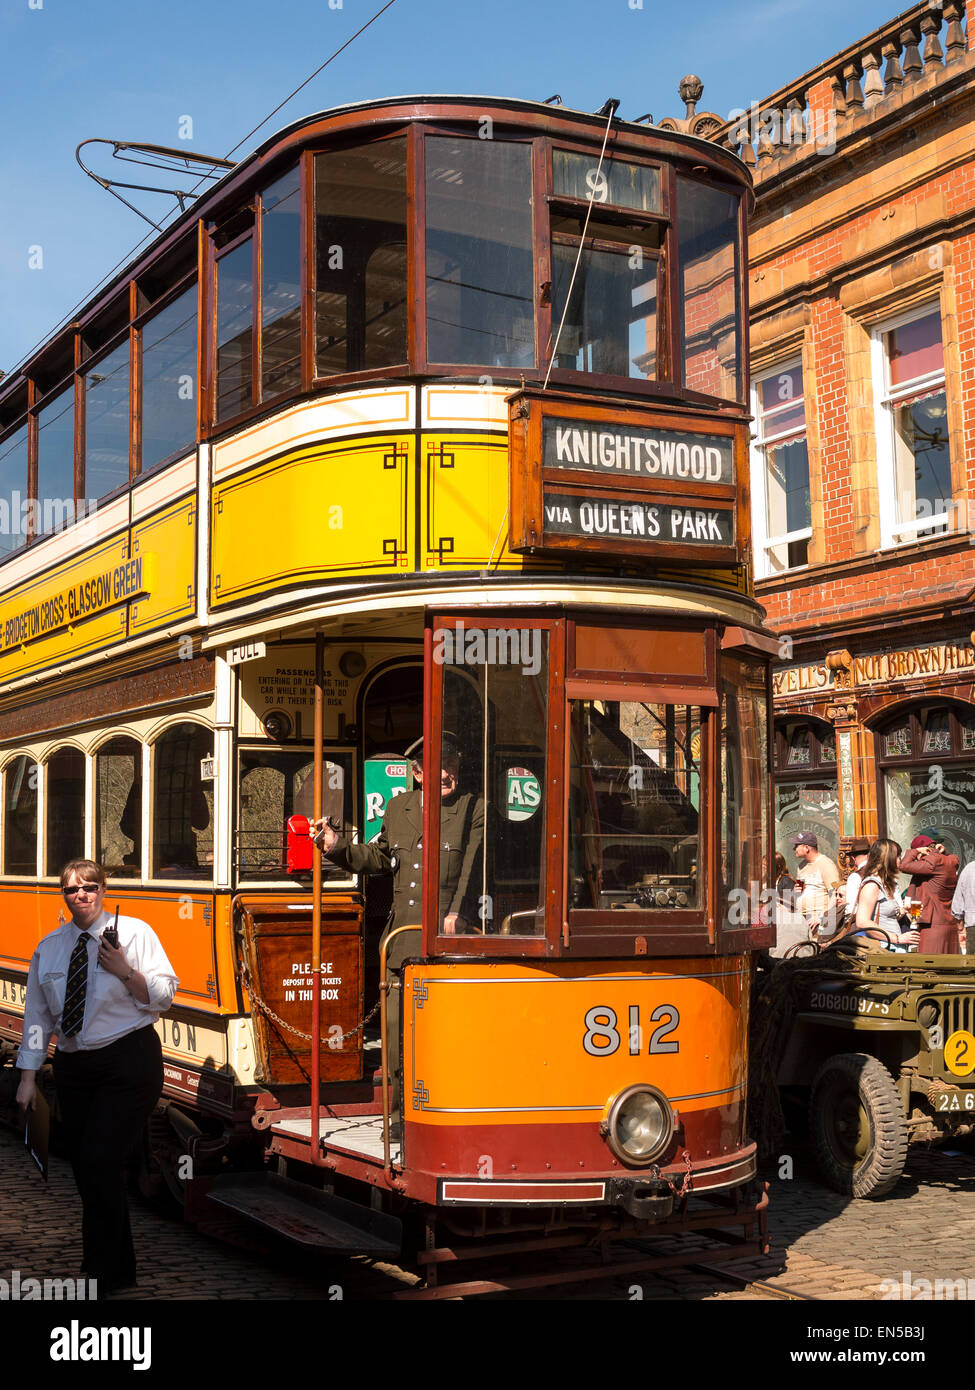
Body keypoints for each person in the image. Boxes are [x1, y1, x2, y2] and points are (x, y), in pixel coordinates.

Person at [15, 860, 178, 1296]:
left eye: (90, 887)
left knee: (99, 1160)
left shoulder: (136, 934)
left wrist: (124, 970)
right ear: (63, 896)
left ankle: (106, 1272)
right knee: (90, 1169)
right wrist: (28, 1076)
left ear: (104, 889)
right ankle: (112, 1263)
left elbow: (164, 997)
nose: (81, 895)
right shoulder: (49, 948)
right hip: (75, 1067)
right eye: (72, 890)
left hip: (128, 1060)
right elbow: (38, 1016)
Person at [312, 735, 484, 1123]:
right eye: (436, 766)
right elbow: (379, 856)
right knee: (394, 1033)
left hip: (445, 941)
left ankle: (435, 1114)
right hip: (401, 939)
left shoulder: (474, 809)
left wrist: (455, 916)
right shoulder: (399, 806)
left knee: (438, 1038)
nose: (445, 774)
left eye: (452, 765)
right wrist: (337, 846)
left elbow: (472, 871)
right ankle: (396, 1115)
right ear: (418, 773)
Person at [838, 839, 919, 952]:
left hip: (892, 948)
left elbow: (885, 916)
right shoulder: (872, 885)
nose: (900, 860)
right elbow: (862, 922)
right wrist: (897, 938)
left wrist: (904, 910)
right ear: (888, 859)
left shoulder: (886, 884)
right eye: (897, 856)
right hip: (882, 949)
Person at [898, 833, 960, 953]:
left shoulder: (933, 862)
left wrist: (915, 851)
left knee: (928, 966)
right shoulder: (949, 861)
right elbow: (918, 896)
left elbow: (903, 866)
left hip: (932, 926)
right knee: (948, 968)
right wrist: (945, 851)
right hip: (947, 923)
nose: (916, 861)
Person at [790, 831, 839, 921]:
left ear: (806, 848)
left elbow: (835, 894)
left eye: (796, 846)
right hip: (801, 919)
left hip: (817, 921)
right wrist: (796, 891)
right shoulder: (801, 866)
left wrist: (822, 917)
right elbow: (801, 891)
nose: (794, 848)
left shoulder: (826, 864)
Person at [951, 856, 975, 955]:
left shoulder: (970, 868)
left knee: (972, 966)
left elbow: (957, 906)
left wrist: (960, 927)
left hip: (973, 928)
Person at [844, 837, 871, 915]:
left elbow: (851, 909)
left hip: (865, 923)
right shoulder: (882, 872)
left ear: (853, 858)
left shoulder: (854, 877)